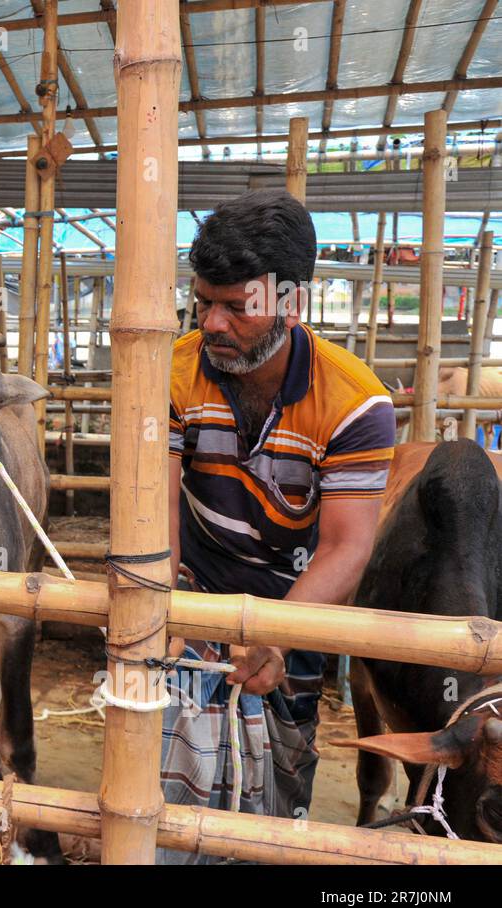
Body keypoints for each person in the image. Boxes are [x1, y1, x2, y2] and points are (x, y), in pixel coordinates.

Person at [163, 189, 395, 862]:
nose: (212, 322)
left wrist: (277, 637)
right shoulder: (172, 370)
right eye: (204, 301)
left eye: (237, 306)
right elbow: (156, 499)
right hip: (198, 591)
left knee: (280, 779)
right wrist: (166, 602)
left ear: (292, 303)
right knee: (167, 772)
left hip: (297, 603)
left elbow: (349, 546)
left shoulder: (356, 402)